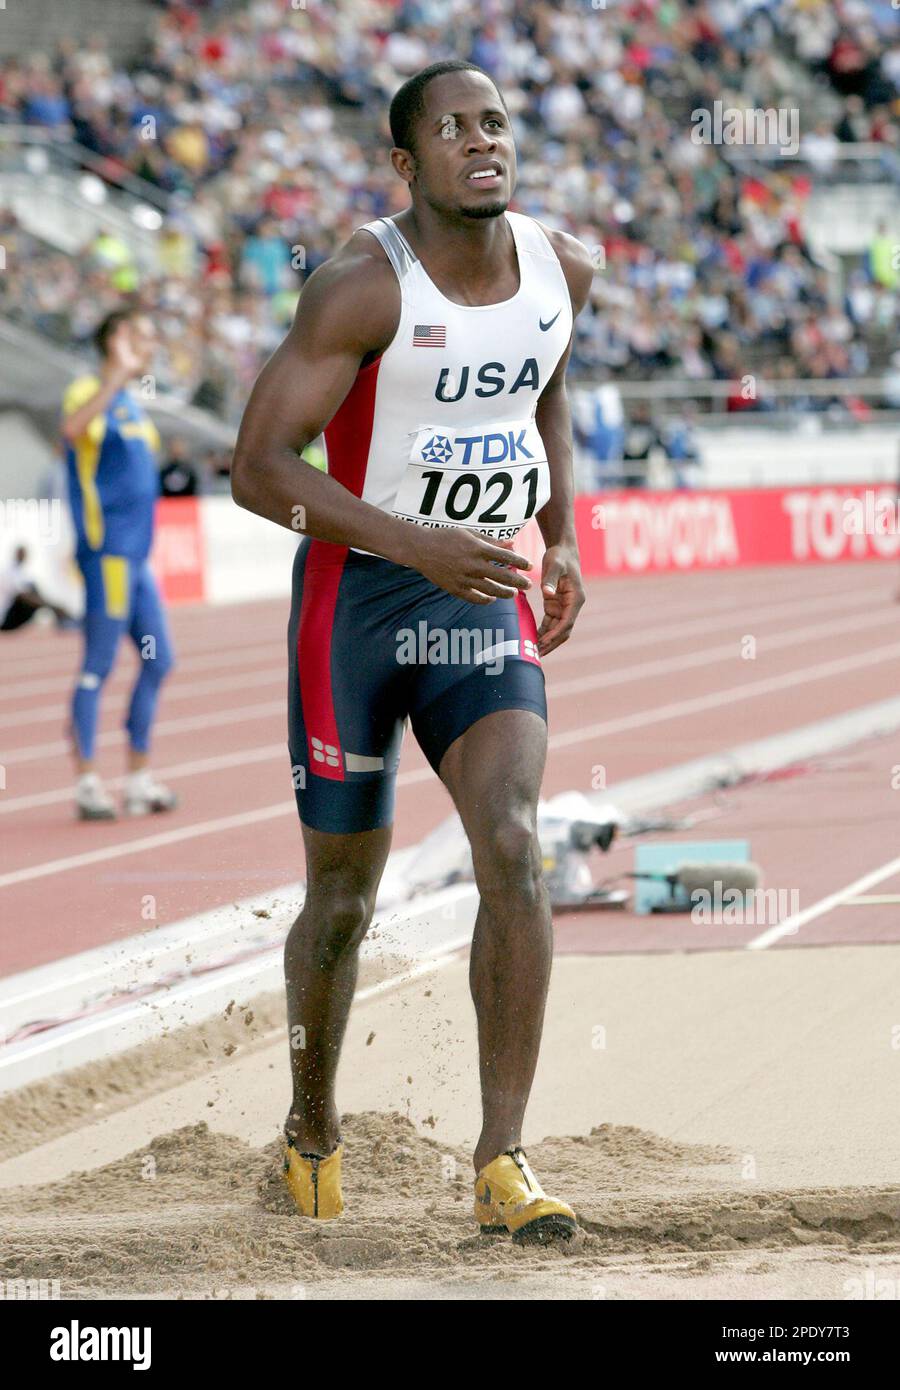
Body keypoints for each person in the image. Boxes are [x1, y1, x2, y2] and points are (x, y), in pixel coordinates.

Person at [232, 60, 592, 1243]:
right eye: (453, 129)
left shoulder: (562, 266)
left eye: (496, 124)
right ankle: (311, 1125)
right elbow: (259, 470)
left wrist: (565, 534)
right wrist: (411, 543)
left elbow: (547, 385)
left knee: (514, 845)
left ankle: (503, 1158)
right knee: (342, 900)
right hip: (356, 607)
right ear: (406, 163)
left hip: (480, 595)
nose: (482, 142)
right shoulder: (356, 290)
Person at [62, 308, 178, 821]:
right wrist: (114, 377)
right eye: (142, 334)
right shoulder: (89, 389)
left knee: (159, 661)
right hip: (106, 552)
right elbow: (71, 430)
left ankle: (137, 778)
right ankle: (87, 781)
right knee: (99, 664)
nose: (151, 345)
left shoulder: (134, 404)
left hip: (136, 559)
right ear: (115, 339)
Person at [0, 544, 72, 631]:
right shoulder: (10, 572)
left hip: (9, 616)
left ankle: (62, 618)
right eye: (21, 553)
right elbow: (22, 596)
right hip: (5, 619)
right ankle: (63, 619)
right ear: (16, 554)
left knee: (32, 588)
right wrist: (52, 606)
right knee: (32, 592)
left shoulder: (18, 573)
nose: (23, 556)